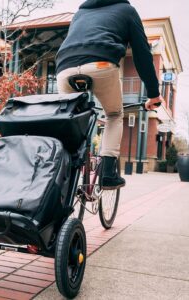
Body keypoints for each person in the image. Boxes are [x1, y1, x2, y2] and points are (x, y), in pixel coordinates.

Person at [56, 0, 164, 190]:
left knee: (67, 119)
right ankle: (107, 174)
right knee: (114, 115)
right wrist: (154, 94)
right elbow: (142, 54)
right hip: (101, 65)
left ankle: (61, 170)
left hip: (64, 69)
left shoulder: (80, 13)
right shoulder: (127, 10)